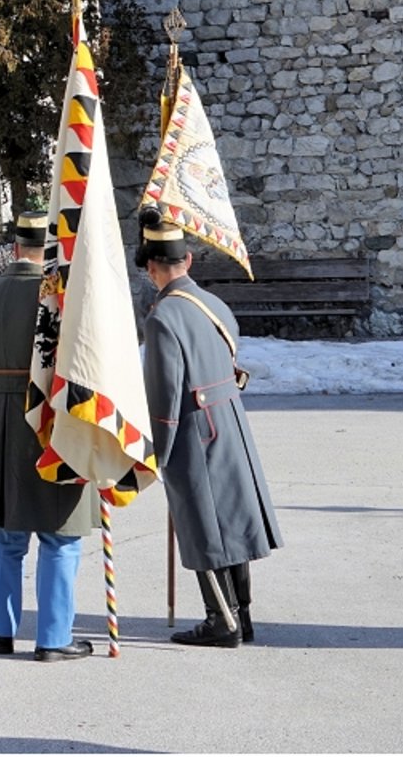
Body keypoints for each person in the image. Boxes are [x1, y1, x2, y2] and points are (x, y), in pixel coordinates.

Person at [0, 214, 97, 661]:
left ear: (15, 248)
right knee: (60, 535)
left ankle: (0, 632)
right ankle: (54, 639)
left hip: (0, 420)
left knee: (6, 531)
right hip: (57, 419)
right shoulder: (66, 297)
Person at [139, 222, 284, 648]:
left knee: (204, 527)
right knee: (231, 523)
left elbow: (164, 393)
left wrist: (159, 450)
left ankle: (222, 622)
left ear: (151, 268)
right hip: (230, 419)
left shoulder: (163, 317)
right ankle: (243, 615)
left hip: (193, 428)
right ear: (187, 261)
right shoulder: (214, 304)